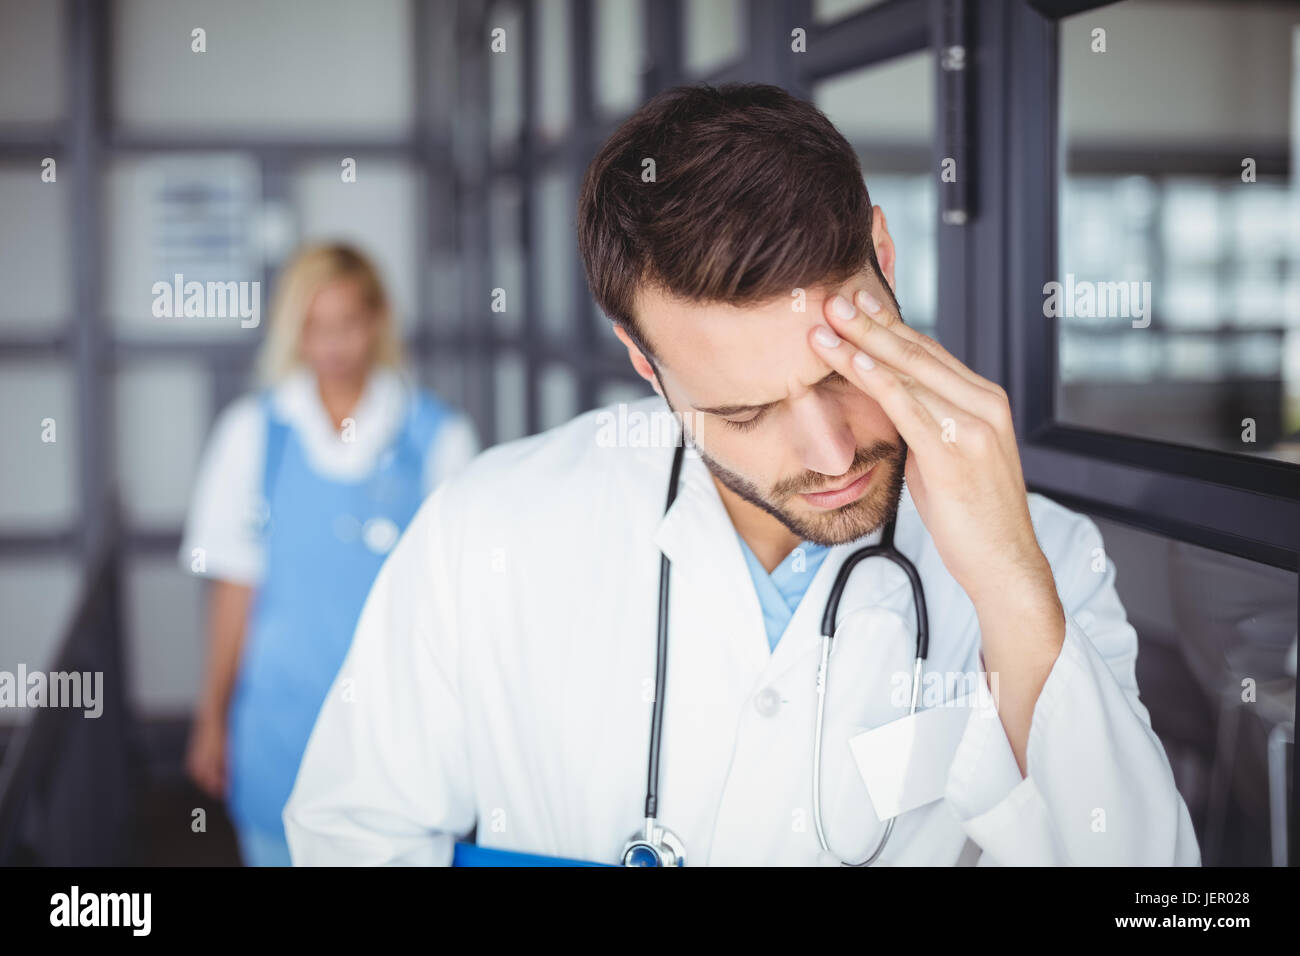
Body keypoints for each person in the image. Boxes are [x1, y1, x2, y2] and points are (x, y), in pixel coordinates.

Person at [282, 85, 1200, 866]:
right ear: (644, 364)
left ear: (883, 256)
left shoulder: (1051, 562)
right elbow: (351, 833)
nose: (833, 455)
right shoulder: (487, 531)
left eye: (845, 371)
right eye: (742, 413)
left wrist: (1006, 583)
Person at [179, 242, 480, 866]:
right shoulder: (253, 435)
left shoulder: (440, 439)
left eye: (347, 324)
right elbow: (236, 587)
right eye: (315, 328)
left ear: (377, 322)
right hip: (277, 726)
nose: (332, 346)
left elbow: (462, 607)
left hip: (398, 736)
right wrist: (212, 715)